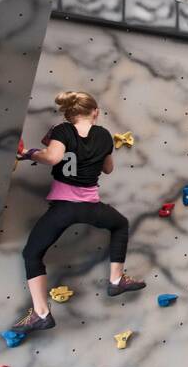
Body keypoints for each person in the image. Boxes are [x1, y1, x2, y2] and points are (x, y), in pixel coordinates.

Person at [11, 91, 143, 332]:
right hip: (91, 206)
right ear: (95, 112)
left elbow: (52, 158)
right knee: (120, 224)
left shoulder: (62, 131)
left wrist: (29, 153)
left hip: (64, 207)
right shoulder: (104, 135)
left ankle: (41, 313)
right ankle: (116, 280)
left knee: (32, 255)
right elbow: (109, 169)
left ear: (70, 113)